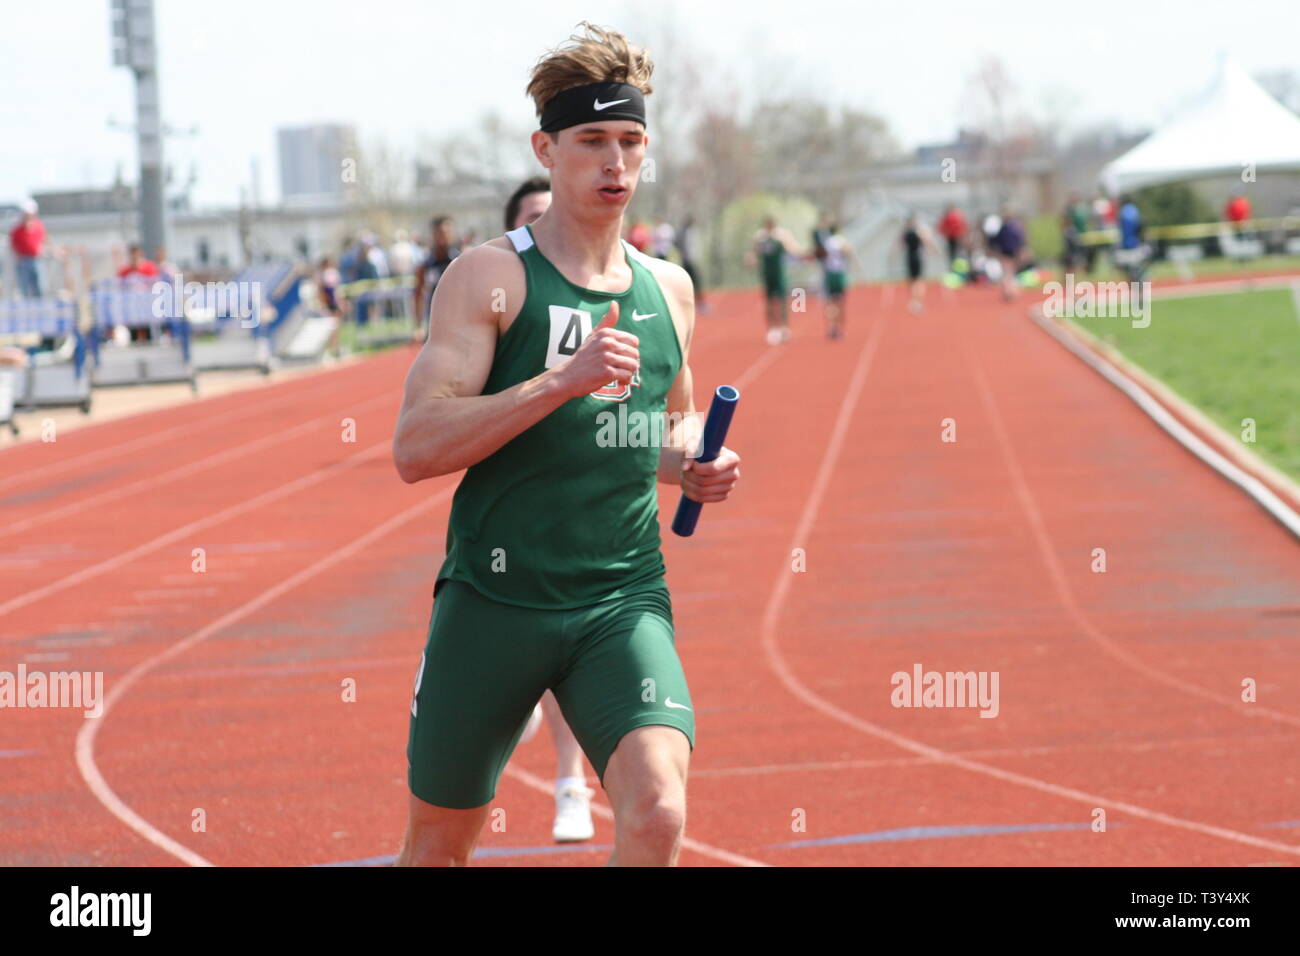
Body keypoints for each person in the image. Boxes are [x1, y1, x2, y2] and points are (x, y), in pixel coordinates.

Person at [391, 21, 740, 867]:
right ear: (546, 148)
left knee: (657, 811)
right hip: (493, 602)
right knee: (439, 845)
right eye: (592, 141)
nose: (615, 162)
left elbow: (665, 428)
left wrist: (693, 465)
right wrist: (556, 382)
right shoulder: (491, 277)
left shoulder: (670, 289)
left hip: (618, 601)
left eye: (630, 141)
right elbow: (416, 446)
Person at [497, 173, 597, 844]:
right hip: (507, 523)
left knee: (570, 662)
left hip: (589, 516)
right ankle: (516, 702)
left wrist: (684, 460)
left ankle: (572, 786)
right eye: (533, 216)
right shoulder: (496, 294)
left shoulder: (613, 294)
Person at [746, 215, 802, 344]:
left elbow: (792, 248)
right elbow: (753, 252)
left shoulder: (781, 235)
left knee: (782, 300)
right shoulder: (760, 237)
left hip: (779, 273)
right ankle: (772, 328)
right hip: (767, 273)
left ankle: (784, 327)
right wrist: (751, 260)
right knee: (769, 301)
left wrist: (803, 255)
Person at [413, 217, 460, 342]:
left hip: (460, 323)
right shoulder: (425, 265)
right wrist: (418, 326)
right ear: (433, 235)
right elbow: (418, 294)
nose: (443, 237)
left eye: (446, 233)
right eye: (439, 233)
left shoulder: (461, 260)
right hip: (434, 325)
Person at [819, 221, 859, 339]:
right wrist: (856, 269)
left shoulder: (826, 242)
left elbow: (821, 257)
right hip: (838, 274)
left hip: (828, 274)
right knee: (840, 302)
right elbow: (849, 252)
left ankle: (831, 326)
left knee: (830, 302)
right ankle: (839, 328)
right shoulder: (841, 241)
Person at [900, 212, 938, 314]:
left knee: (912, 281)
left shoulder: (906, 233)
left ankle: (913, 301)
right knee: (918, 281)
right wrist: (934, 250)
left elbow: (901, 245)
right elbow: (926, 241)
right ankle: (917, 302)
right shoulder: (918, 232)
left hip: (909, 257)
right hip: (917, 256)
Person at [10, 200, 45, 299]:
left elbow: (42, 241)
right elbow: (13, 245)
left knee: (39, 287)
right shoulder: (17, 229)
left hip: (37, 259)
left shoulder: (39, 226)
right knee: (24, 288)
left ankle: (39, 310)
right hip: (24, 260)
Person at [675, 215, 705, 313]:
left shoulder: (691, 232)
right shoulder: (686, 232)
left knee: (693, 281)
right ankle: (690, 303)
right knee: (691, 281)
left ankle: (697, 302)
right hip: (688, 260)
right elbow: (678, 243)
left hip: (689, 260)